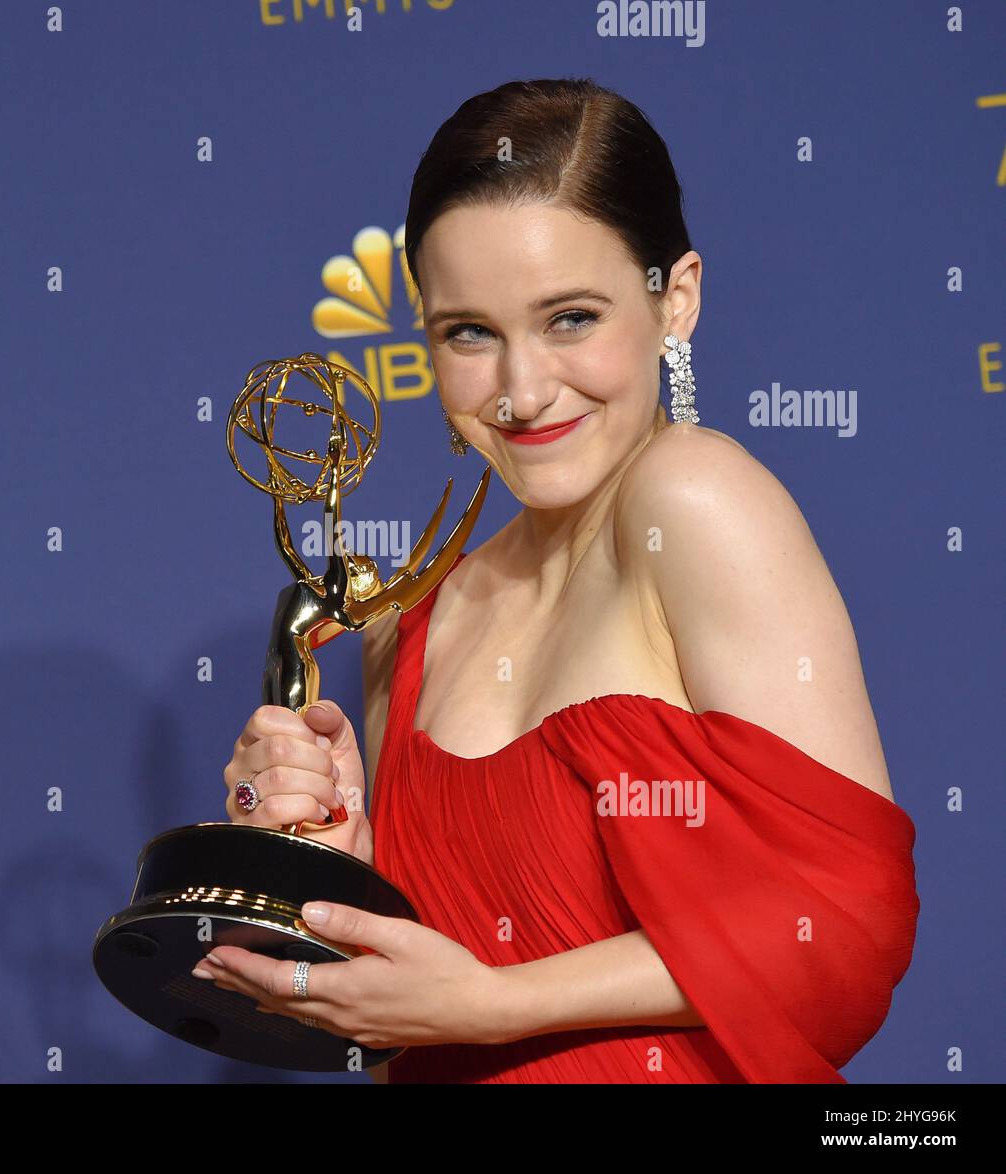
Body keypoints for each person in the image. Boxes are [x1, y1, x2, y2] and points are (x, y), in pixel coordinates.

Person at [203, 78, 920, 1084]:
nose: (523, 389)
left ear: (677, 298)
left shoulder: (692, 496)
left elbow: (843, 926)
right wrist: (321, 877)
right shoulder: (408, 621)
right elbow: (410, 1019)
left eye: (570, 318)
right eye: (469, 332)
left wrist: (495, 1002)